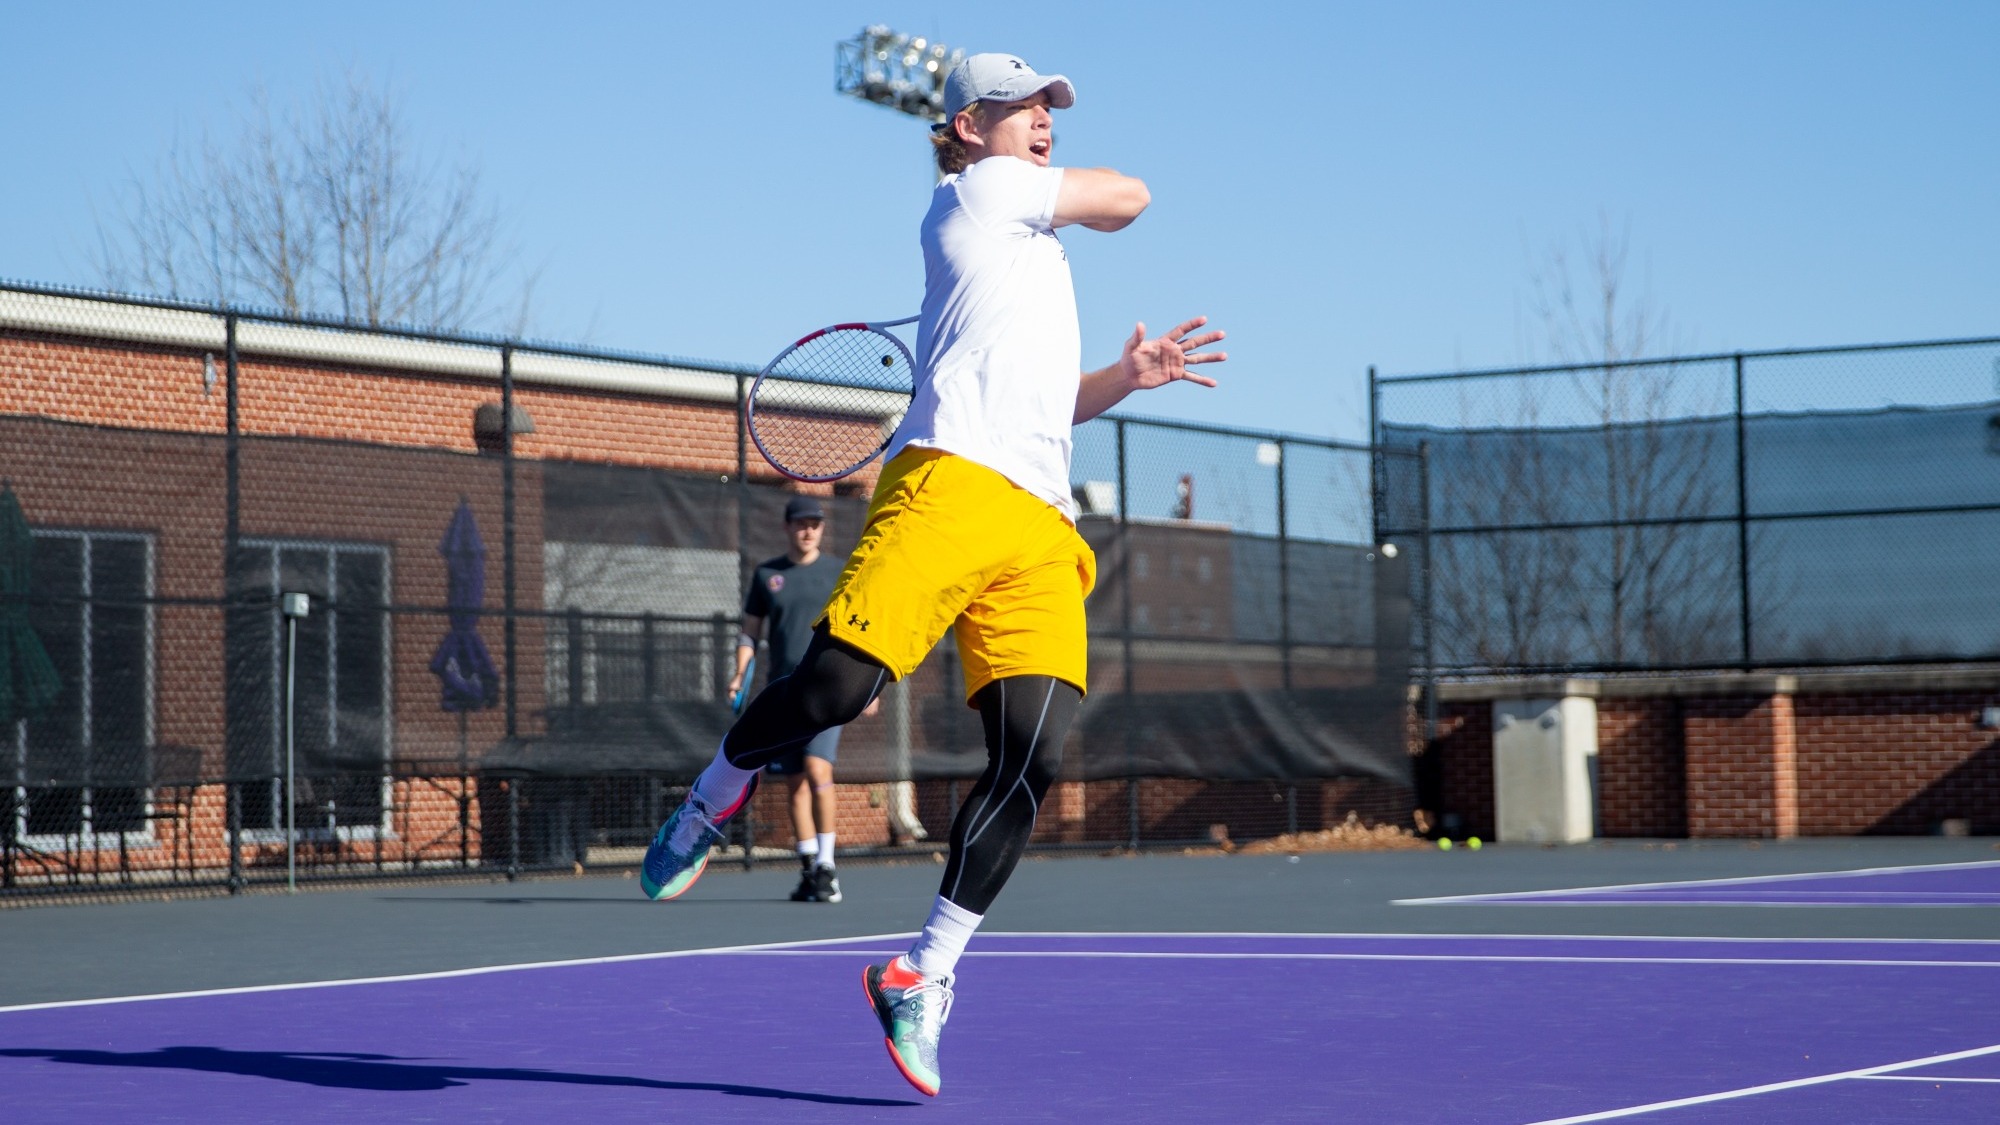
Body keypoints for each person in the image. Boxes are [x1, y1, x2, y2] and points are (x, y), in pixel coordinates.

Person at [641, 51, 1225, 1097]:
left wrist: (1123, 381)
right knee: (838, 693)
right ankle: (715, 789)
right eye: (1021, 108)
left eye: (1051, 108)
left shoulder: (1030, 246)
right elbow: (1131, 197)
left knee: (1031, 757)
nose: (1045, 122)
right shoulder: (987, 192)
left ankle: (922, 973)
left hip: (1040, 522)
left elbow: (1044, 411)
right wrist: (1077, 196)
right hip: (949, 487)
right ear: (964, 128)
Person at [729, 494, 873, 905]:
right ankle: (809, 867)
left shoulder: (839, 571)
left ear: (822, 529)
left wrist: (868, 684)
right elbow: (749, 633)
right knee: (794, 784)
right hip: (783, 691)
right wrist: (740, 673)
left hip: (828, 689)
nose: (807, 530)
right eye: (800, 523)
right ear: (787, 527)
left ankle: (828, 867)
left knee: (817, 770)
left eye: (815, 523)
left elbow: (862, 627)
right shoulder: (767, 575)